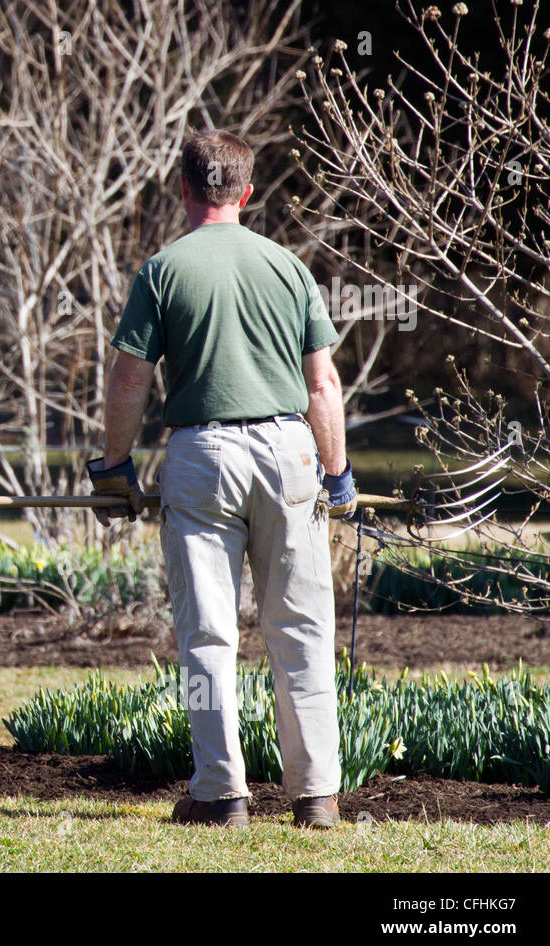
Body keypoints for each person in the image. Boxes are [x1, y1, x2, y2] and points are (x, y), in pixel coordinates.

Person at [90, 130, 356, 828]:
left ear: (182, 190)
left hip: (202, 456)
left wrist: (115, 468)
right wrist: (338, 474)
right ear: (248, 192)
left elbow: (128, 379)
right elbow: (322, 382)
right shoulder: (289, 267)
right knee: (301, 630)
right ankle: (317, 797)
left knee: (209, 634)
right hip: (288, 450)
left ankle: (220, 793)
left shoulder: (163, 269)